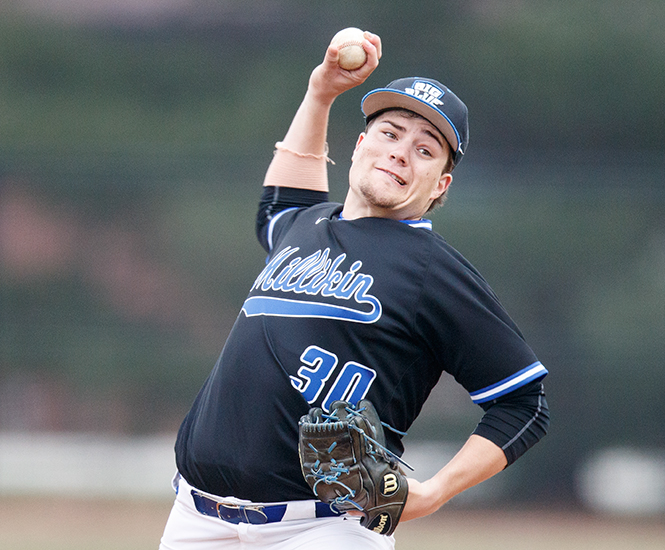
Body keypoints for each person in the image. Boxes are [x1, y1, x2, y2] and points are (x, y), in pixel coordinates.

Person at [159, 29, 549, 550]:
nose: (400, 153)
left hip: (323, 529)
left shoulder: (433, 270)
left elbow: (524, 402)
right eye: (389, 133)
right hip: (198, 520)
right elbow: (279, 203)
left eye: (425, 149)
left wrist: (431, 493)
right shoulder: (303, 225)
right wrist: (321, 92)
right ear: (361, 145)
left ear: (440, 185)